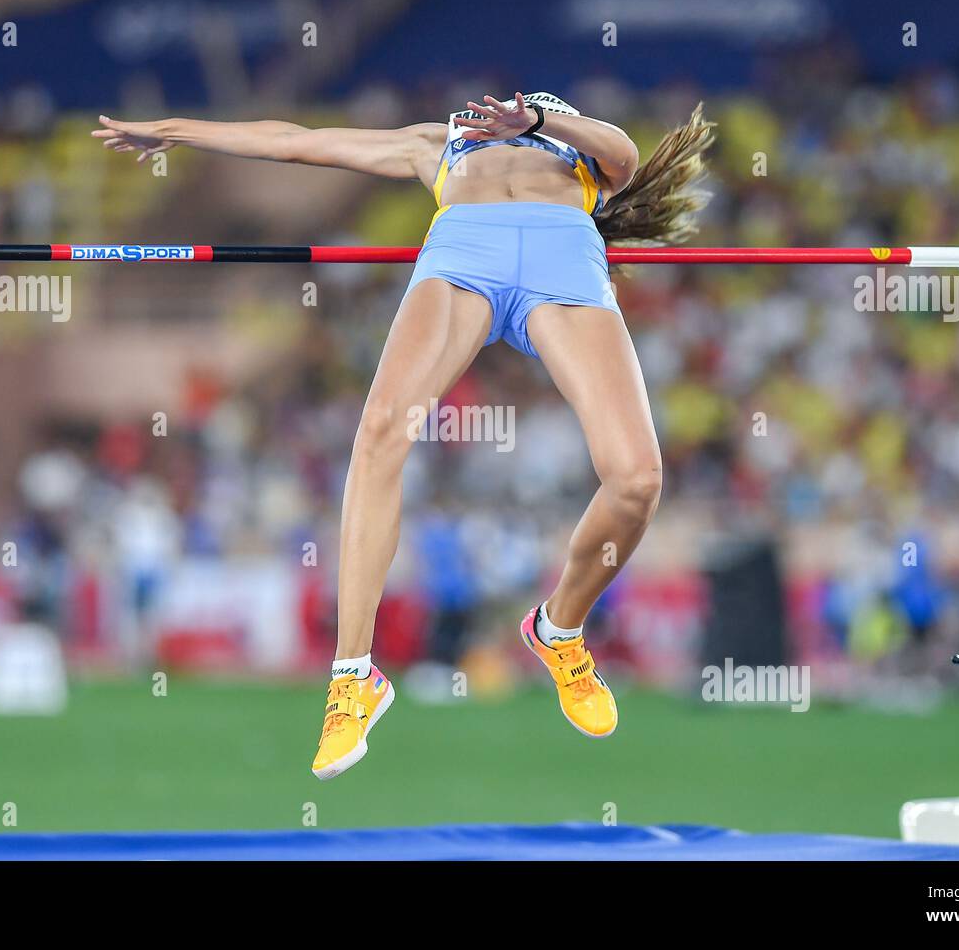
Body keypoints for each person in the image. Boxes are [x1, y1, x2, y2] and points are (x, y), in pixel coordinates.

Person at [93, 91, 714, 779]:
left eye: (529, 108)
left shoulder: (579, 152)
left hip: (563, 264)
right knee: (380, 433)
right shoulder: (438, 142)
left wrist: (539, 122)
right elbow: (299, 138)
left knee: (637, 479)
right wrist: (178, 130)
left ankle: (558, 629)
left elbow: (625, 155)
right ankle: (353, 678)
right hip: (463, 258)